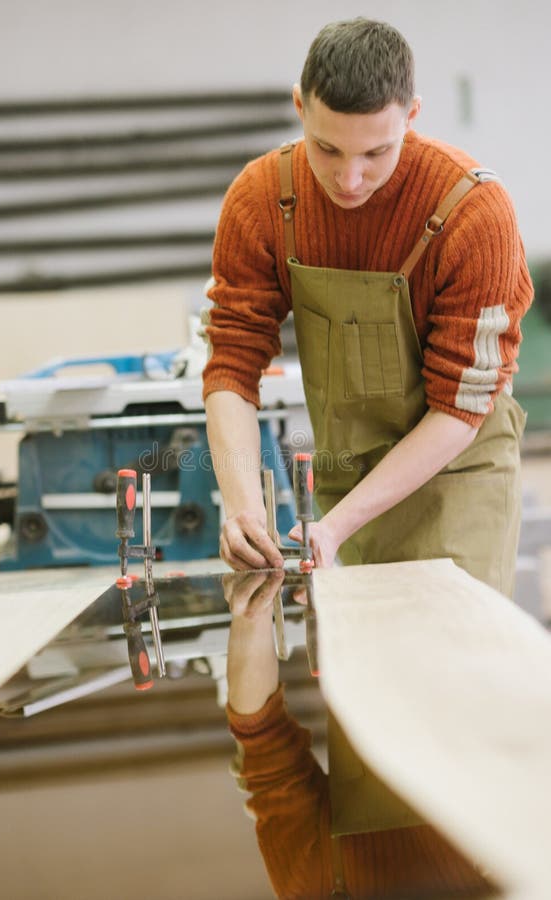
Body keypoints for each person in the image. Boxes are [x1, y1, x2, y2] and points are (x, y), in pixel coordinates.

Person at [203, 18, 533, 595]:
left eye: (376, 152)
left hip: (458, 473)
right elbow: (232, 364)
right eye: (327, 148)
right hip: (343, 473)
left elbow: (459, 406)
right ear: (300, 108)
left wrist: (332, 529)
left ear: (412, 116)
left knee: (449, 656)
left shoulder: (474, 215)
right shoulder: (260, 201)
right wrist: (242, 509)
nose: (349, 179)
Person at [223, 570, 494, 898]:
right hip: (458, 601)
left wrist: (254, 605)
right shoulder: (515, 878)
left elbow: (265, 742)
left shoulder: (315, 889)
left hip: (359, 579)